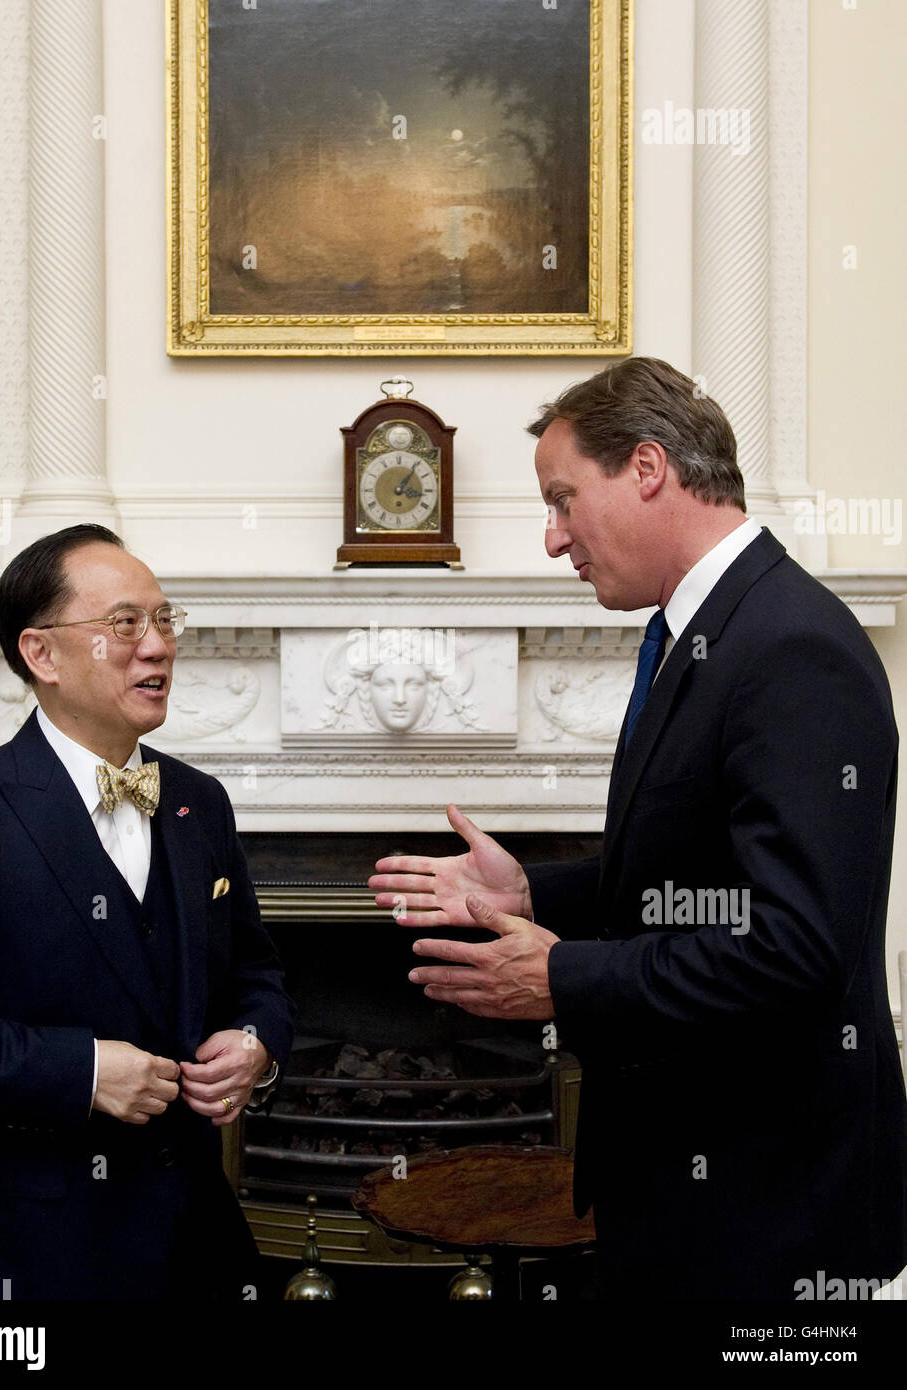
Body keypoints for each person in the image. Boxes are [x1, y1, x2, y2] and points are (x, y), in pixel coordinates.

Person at [369, 357, 907, 1299]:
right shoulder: (711, 627)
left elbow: (793, 948)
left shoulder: (790, 646)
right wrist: (533, 893)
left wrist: (559, 977)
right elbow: (703, 874)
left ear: (647, 468)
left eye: (563, 500)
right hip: (693, 1192)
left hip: (764, 1208)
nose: (551, 539)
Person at [0, 524, 294, 1299]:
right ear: (40, 654)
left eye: (164, 619)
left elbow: (257, 971)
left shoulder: (199, 802)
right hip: (24, 1251)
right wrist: (78, 1071)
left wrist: (256, 1045)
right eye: (124, 625)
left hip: (194, 1239)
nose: (158, 647)